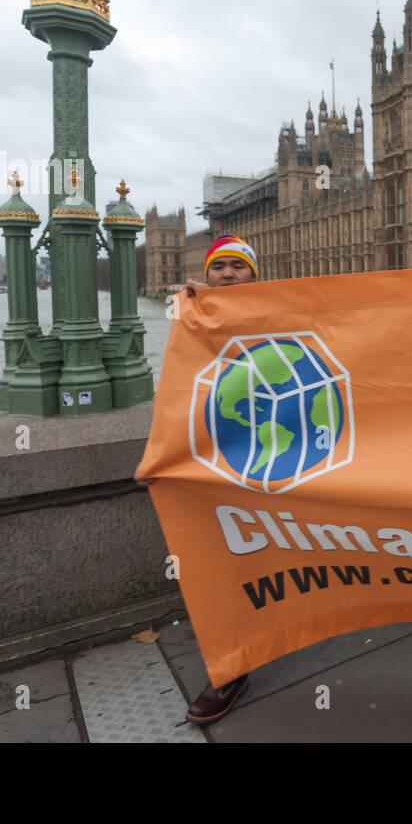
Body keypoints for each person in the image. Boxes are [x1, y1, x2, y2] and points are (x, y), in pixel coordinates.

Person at [157, 233, 260, 724]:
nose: (226, 275)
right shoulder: (191, 317)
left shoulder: (282, 315)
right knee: (220, 562)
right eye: (218, 267)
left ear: (256, 277)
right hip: (217, 465)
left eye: (238, 267)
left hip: (281, 463)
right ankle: (231, 664)